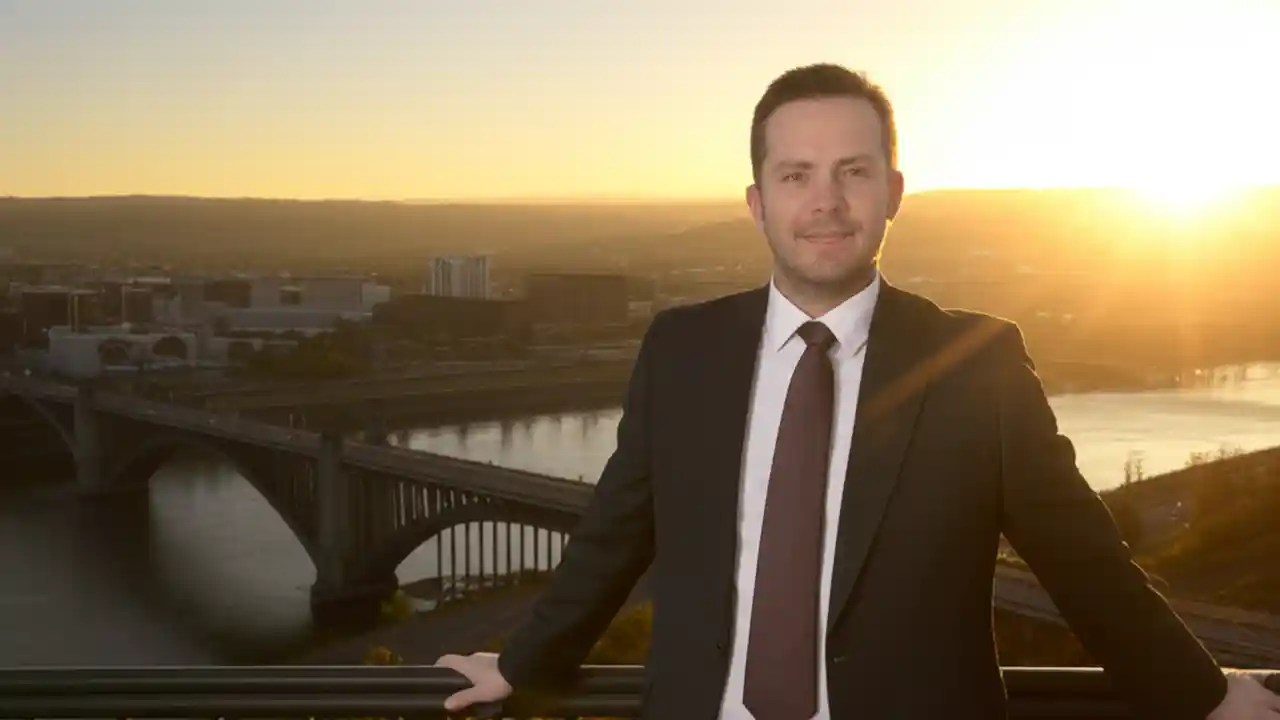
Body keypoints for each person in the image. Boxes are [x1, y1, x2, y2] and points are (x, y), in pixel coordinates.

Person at [435, 63, 1279, 719]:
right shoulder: (683, 350)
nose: (827, 203)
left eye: (853, 172)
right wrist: (521, 664)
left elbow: (1082, 561)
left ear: (894, 193)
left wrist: (1202, 695)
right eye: (796, 176)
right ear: (757, 203)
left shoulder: (976, 363)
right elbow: (612, 539)